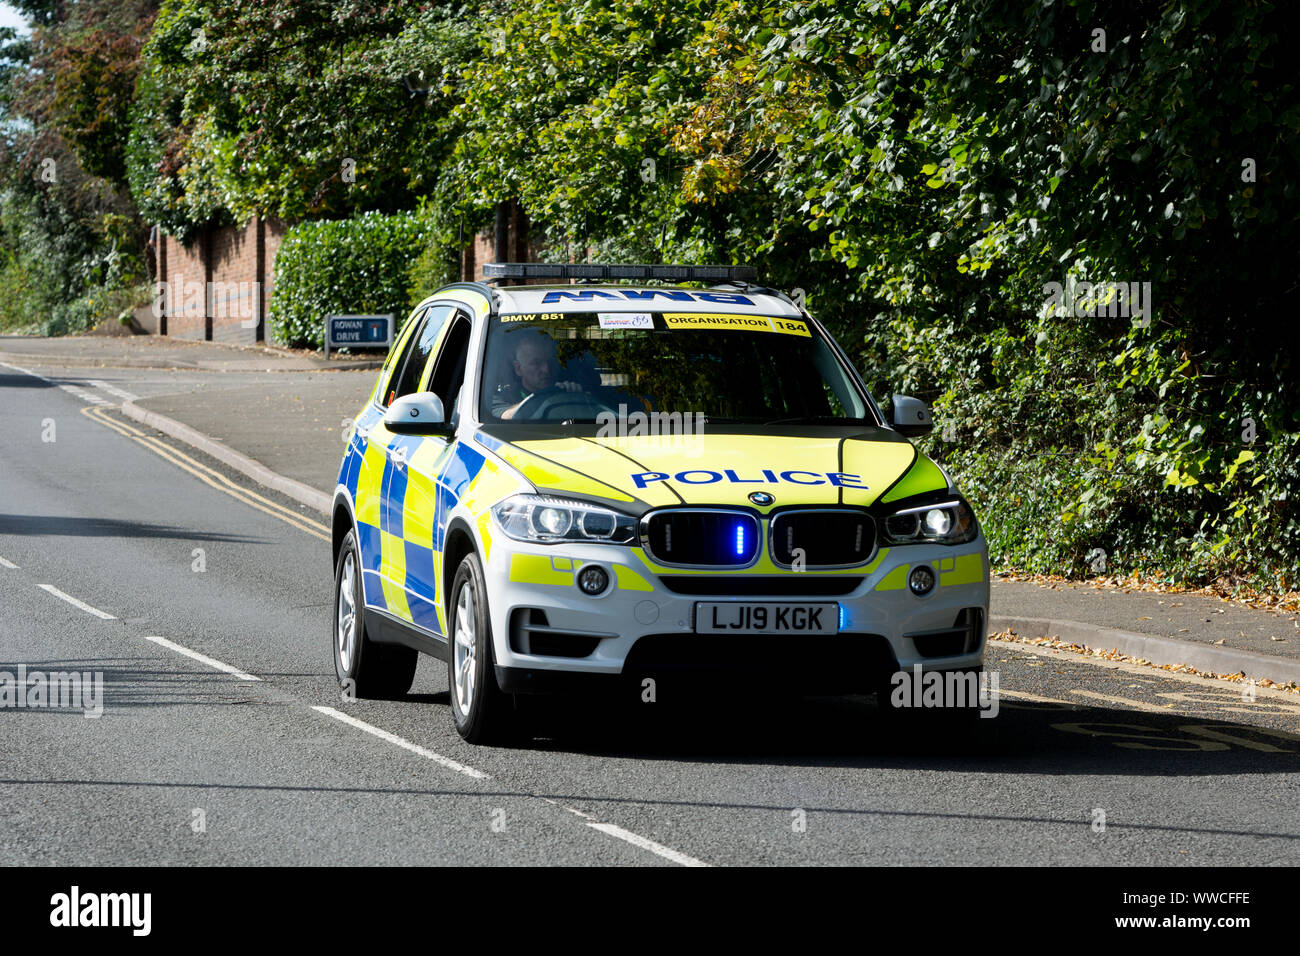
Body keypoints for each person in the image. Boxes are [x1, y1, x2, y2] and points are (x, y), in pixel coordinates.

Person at [491, 329, 585, 419]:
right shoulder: (502, 398)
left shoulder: (569, 392)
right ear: (518, 368)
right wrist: (543, 398)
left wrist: (576, 399)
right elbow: (506, 416)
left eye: (550, 361)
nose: (546, 369)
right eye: (536, 363)